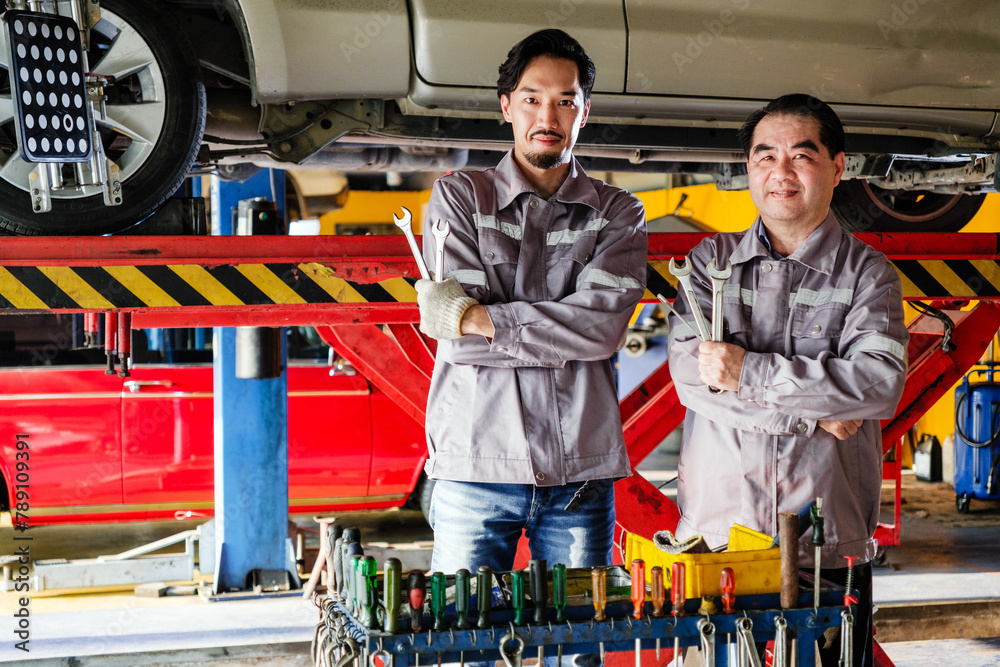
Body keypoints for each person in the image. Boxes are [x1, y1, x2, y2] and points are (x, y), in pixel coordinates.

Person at [666, 94, 908, 667]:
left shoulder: (868, 275)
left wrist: (747, 371)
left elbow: (877, 385)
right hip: (718, 538)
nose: (781, 171)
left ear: (838, 166)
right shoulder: (709, 264)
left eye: (801, 155)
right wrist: (812, 411)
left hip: (828, 545)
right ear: (748, 168)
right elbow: (691, 378)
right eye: (765, 155)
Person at [413, 28, 647, 593]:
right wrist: (559, 326)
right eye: (532, 98)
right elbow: (456, 336)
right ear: (506, 107)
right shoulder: (461, 197)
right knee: (464, 644)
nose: (549, 114)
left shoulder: (619, 212)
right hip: (475, 468)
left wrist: (484, 317)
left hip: (579, 474)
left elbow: (602, 328)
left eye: (566, 100)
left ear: (584, 113)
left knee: (578, 647)